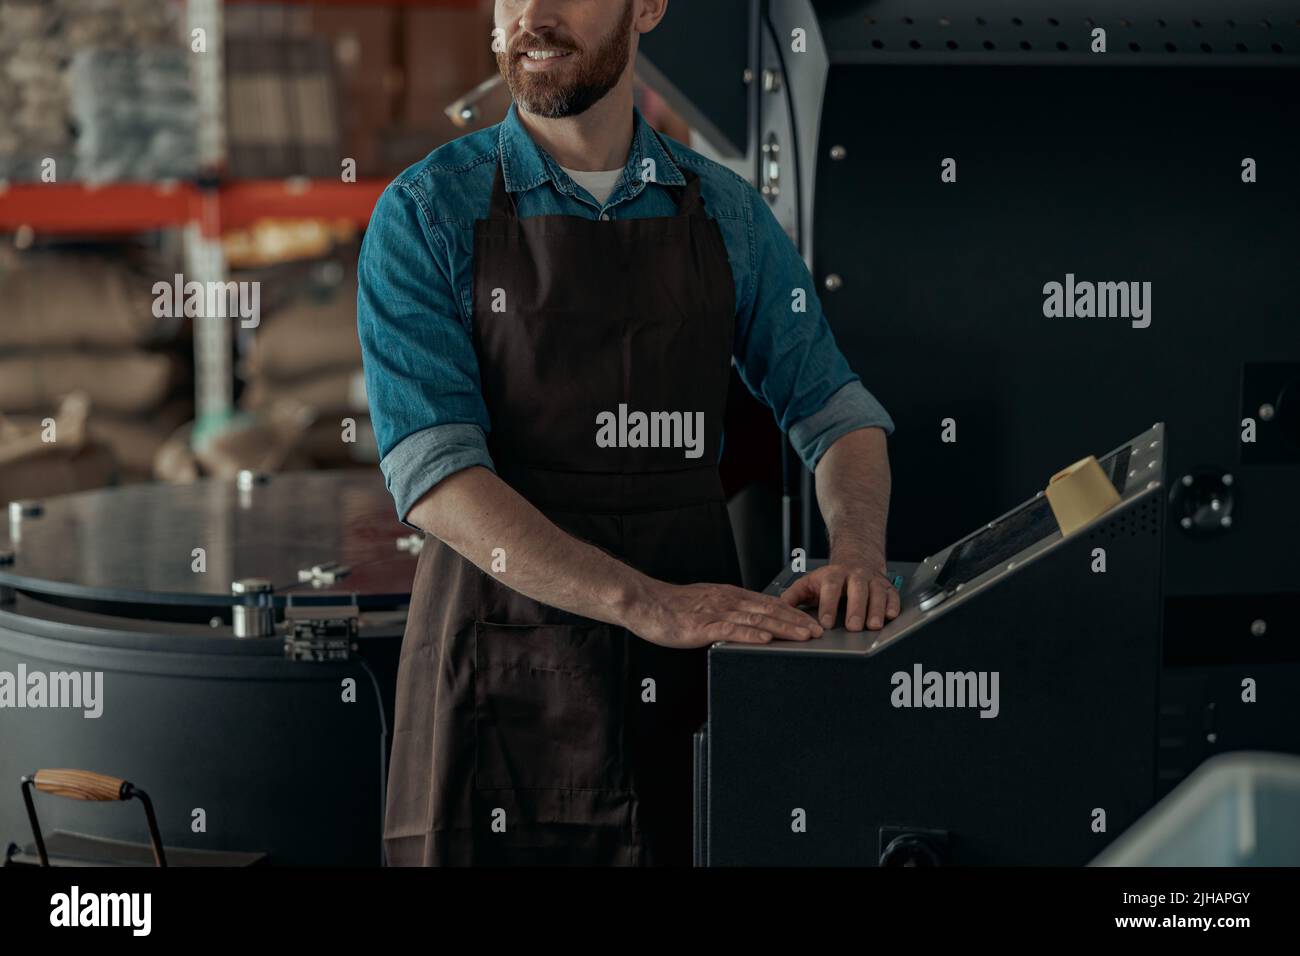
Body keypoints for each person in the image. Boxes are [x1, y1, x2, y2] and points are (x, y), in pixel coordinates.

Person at [358, 0, 898, 866]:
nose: (533, 14)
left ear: (647, 7)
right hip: (498, 686)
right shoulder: (426, 214)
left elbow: (836, 410)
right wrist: (651, 603)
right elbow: (435, 476)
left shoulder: (727, 215)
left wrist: (860, 556)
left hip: (689, 687)